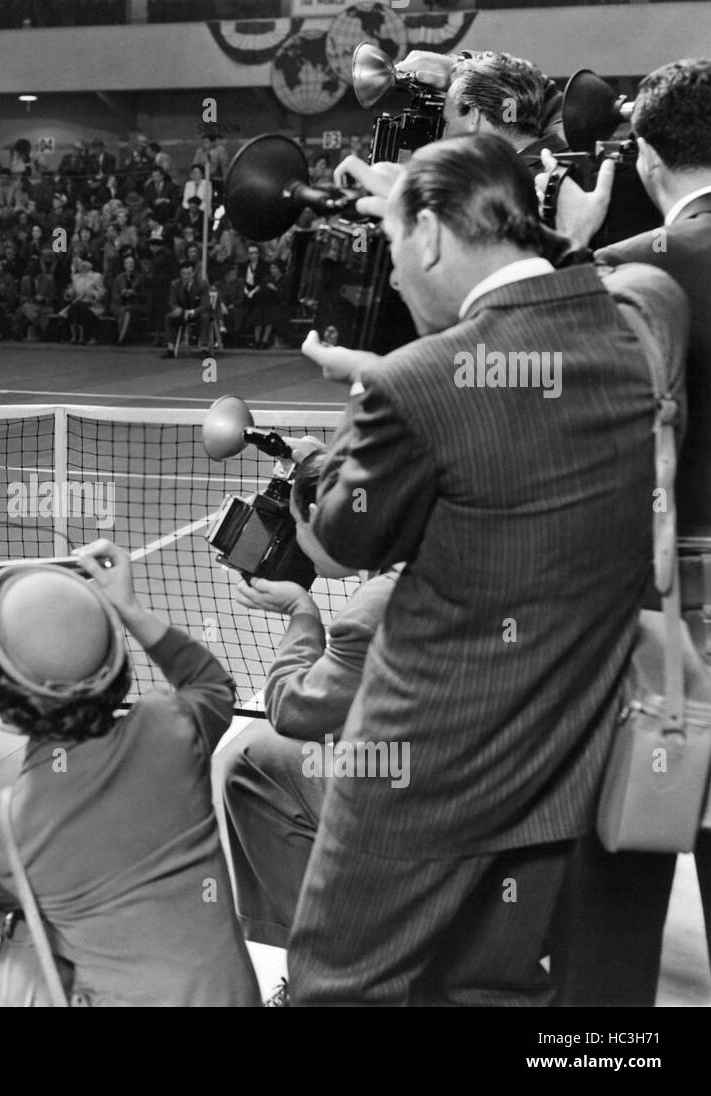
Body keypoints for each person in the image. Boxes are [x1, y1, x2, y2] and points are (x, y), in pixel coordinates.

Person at [286, 134, 688, 1006]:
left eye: (395, 249)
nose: (391, 278)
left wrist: (358, 417)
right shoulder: (641, 331)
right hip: (565, 765)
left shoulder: (417, 384)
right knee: (490, 990)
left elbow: (342, 539)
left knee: (335, 987)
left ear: (430, 236)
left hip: (421, 774)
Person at [534, 56, 711, 1007]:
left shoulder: (621, 271)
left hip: (649, 624)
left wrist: (569, 253)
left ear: (643, 157)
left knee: (613, 905)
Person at [0, 542, 261, 1006]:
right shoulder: (171, 728)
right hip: (233, 997)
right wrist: (128, 606)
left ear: (3, 708)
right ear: (115, 665)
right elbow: (210, 683)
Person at [214, 444, 399, 961]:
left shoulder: (373, 608)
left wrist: (301, 611)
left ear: (319, 517)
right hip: (496, 762)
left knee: (247, 761)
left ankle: (325, 959)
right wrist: (324, 462)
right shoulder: (430, 544)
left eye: (297, 522)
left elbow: (293, 711)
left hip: (421, 796)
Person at [161, 260, 211, 358]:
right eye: (183, 273)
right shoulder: (175, 284)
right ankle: (170, 349)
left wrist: (193, 312)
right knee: (169, 317)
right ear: (180, 273)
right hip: (182, 312)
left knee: (205, 316)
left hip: (197, 313)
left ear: (194, 273)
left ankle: (204, 349)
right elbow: (172, 301)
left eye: (188, 273)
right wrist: (176, 308)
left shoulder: (202, 284)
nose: (186, 276)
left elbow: (205, 305)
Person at [62, 258, 105, 345]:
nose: (82, 267)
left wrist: (93, 294)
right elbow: (72, 291)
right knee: (75, 307)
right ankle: (74, 336)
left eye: (83, 266)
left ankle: (82, 337)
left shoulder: (96, 277)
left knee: (79, 307)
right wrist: (70, 293)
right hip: (78, 303)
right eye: (81, 266)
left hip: (92, 305)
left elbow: (102, 291)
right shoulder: (76, 278)